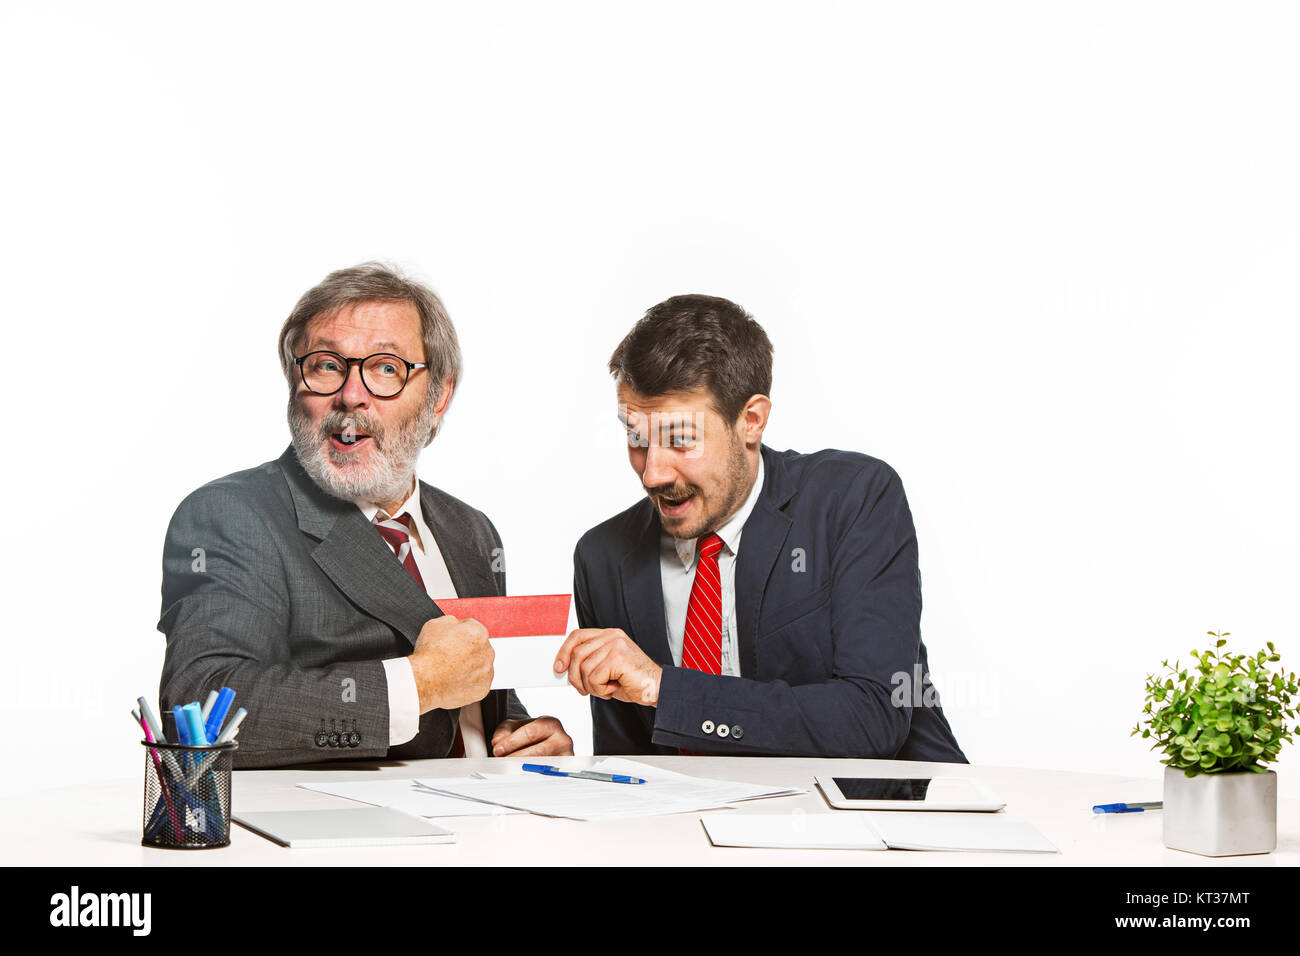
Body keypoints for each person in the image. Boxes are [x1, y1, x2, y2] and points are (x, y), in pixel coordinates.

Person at [159, 263, 571, 767]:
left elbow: (471, 689)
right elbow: (202, 705)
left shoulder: (472, 530)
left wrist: (518, 735)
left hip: (487, 830)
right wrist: (414, 686)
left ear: (439, 396)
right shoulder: (230, 515)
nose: (351, 396)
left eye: (385, 369)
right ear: (295, 379)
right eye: (327, 365)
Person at [555, 294, 966, 760]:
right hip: (686, 827)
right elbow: (632, 765)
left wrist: (666, 689)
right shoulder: (604, 556)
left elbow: (873, 717)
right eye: (636, 438)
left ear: (751, 420)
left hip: (874, 819)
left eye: (680, 440)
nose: (652, 474)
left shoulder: (852, 500)